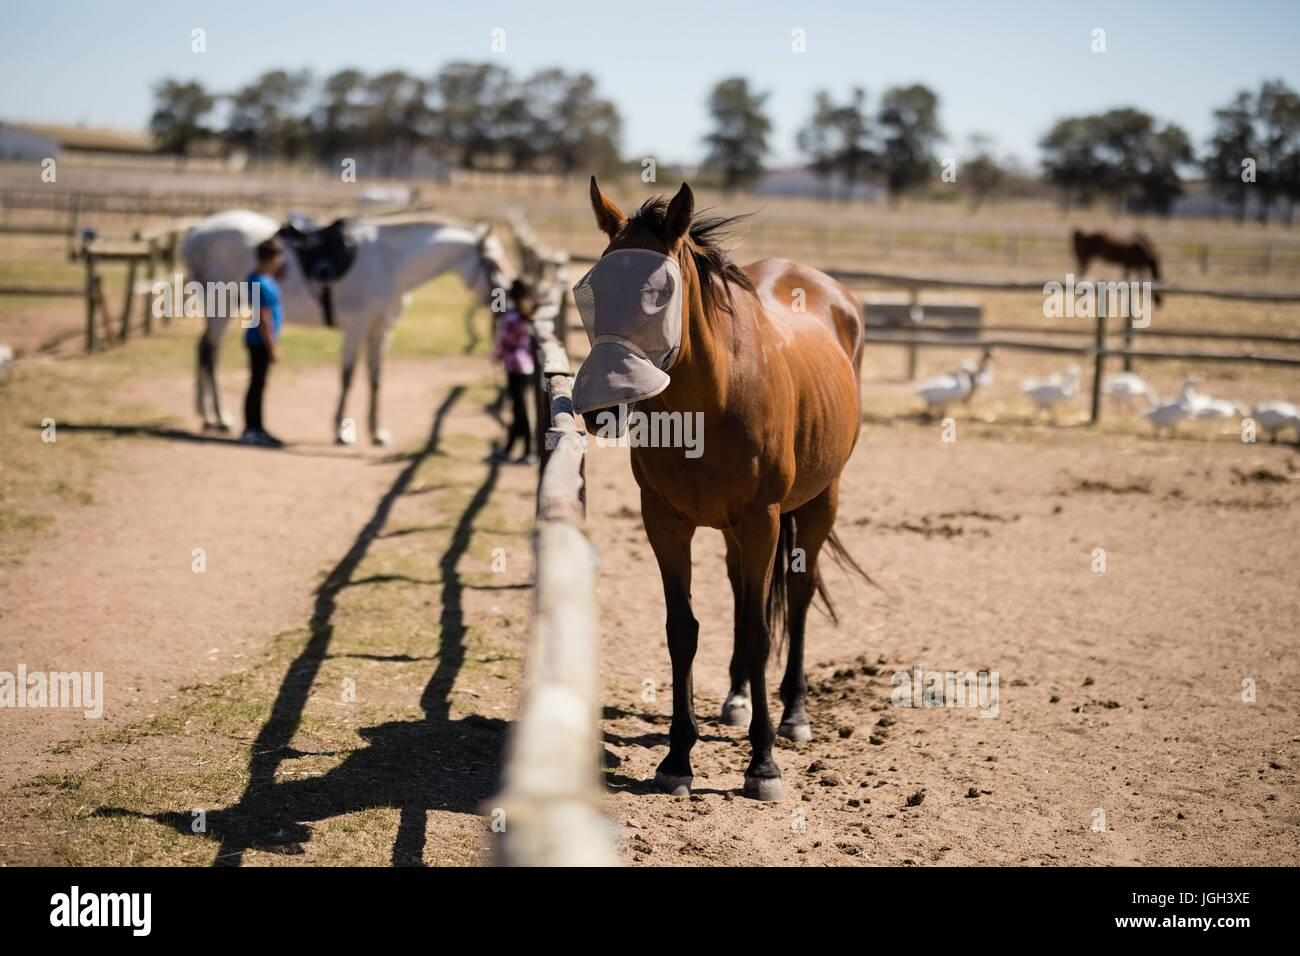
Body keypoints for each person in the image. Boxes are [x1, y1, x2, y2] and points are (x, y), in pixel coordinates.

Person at [240, 237, 286, 447]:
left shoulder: (266, 279)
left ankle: (258, 428)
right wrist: (272, 346)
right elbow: (263, 317)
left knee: (259, 385)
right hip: (259, 342)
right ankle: (251, 429)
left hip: (262, 341)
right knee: (256, 385)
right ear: (271, 258)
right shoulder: (257, 282)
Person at [490, 279, 538, 465]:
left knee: (520, 411)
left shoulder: (510, 318)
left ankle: (527, 450)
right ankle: (511, 448)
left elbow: (505, 343)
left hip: (514, 367)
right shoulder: (527, 315)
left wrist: (496, 356)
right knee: (519, 409)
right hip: (527, 367)